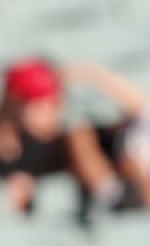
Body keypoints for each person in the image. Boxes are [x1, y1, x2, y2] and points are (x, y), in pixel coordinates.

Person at [0, 57, 128, 220]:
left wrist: (93, 75)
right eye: (36, 103)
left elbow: (143, 109)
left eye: (49, 100)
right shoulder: (13, 151)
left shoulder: (82, 127)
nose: (46, 107)